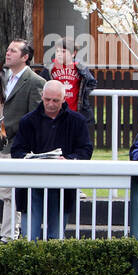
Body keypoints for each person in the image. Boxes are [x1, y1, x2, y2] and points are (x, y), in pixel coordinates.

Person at [10, 80, 93, 240]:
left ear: (64, 99)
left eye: (55, 100)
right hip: (31, 185)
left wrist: (68, 160)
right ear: (42, 96)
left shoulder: (77, 121)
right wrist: (31, 159)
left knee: (56, 237)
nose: (50, 104)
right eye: (47, 99)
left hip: (62, 185)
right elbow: (17, 150)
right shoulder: (28, 121)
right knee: (29, 237)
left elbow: (85, 150)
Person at [0, 39, 46, 239]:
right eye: (7, 49)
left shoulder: (35, 82)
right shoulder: (1, 78)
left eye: (13, 51)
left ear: (25, 57)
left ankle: (9, 237)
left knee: (12, 195)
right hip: (0, 144)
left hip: (17, 146)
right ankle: (7, 235)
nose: (8, 53)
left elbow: (34, 119)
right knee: (4, 194)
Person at [47, 37, 97, 122]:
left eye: (63, 51)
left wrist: (83, 94)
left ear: (73, 53)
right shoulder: (50, 68)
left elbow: (91, 82)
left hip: (74, 112)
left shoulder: (80, 68)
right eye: (57, 51)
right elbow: (42, 84)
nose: (59, 54)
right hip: (55, 113)